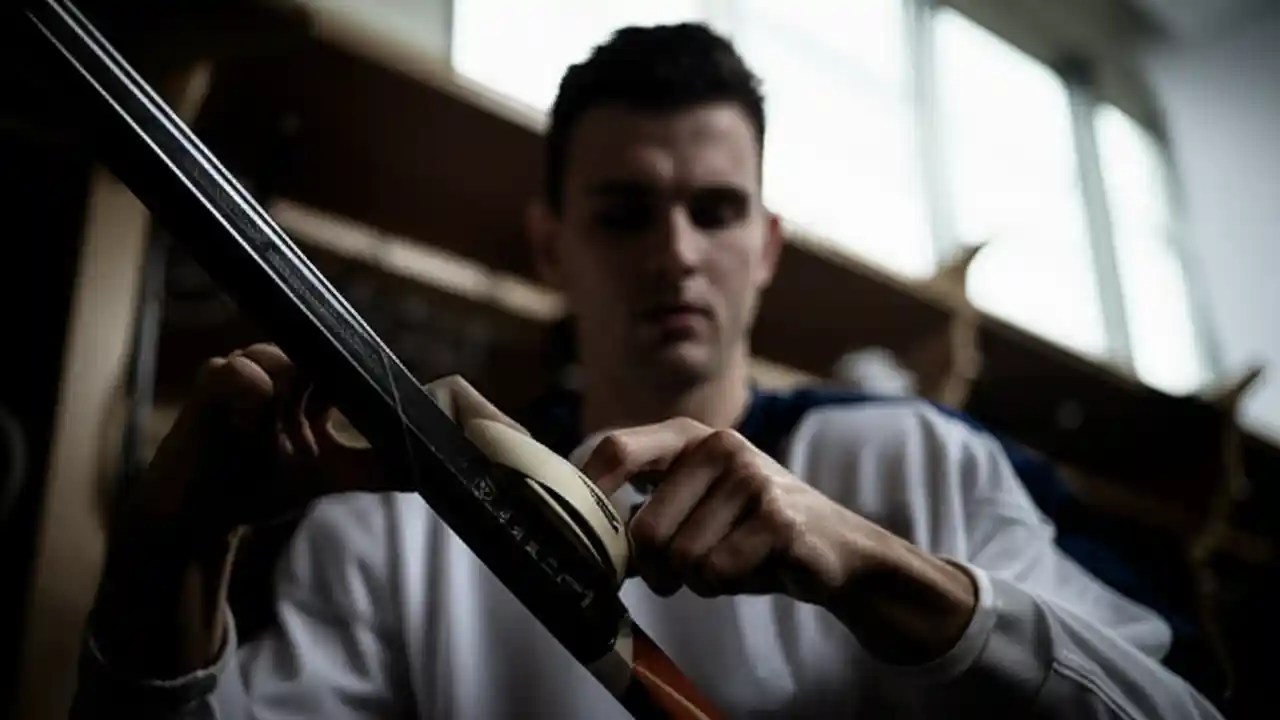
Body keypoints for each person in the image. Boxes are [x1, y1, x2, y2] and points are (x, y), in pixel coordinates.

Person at [72, 22, 1222, 719]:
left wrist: (870, 567)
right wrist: (168, 563)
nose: (674, 252)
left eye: (713, 211)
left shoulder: (913, 459)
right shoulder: (391, 527)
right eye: (624, 212)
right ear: (549, 244)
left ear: (762, 246)